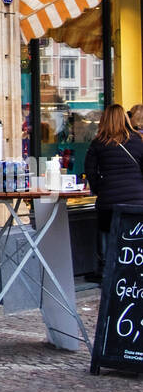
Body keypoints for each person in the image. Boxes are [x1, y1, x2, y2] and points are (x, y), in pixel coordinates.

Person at [84, 103, 143, 276]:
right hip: (137, 201)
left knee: (107, 235)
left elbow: (90, 171)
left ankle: (106, 272)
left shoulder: (98, 143)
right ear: (125, 119)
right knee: (135, 239)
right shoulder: (139, 141)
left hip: (109, 203)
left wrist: (100, 190)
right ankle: (134, 274)